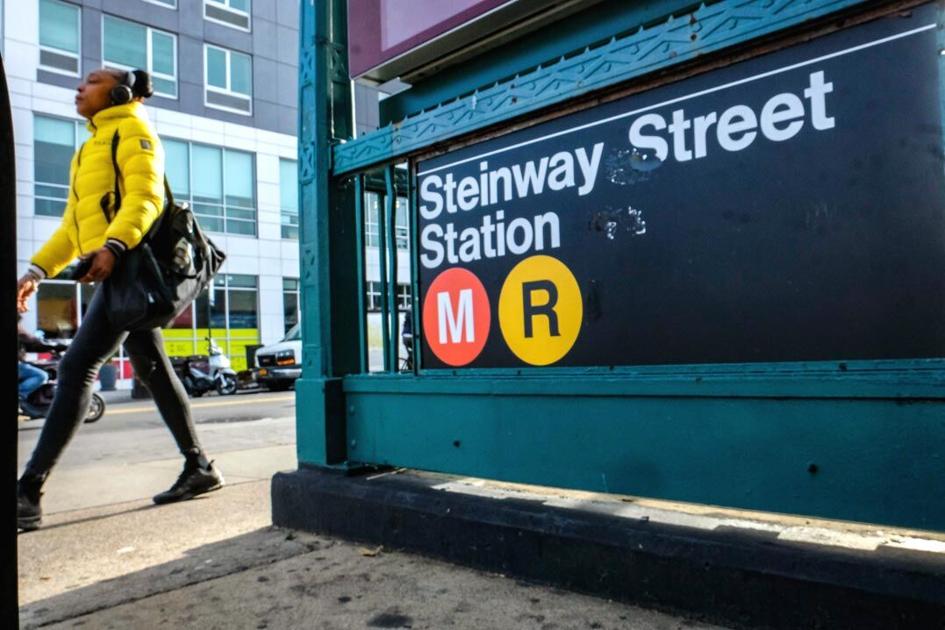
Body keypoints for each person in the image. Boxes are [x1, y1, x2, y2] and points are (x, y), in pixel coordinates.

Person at [16, 68, 224, 531]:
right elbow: (72, 228)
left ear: (119, 92)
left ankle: (28, 491)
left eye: (91, 81)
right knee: (153, 369)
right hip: (116, 270)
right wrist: (36, 271)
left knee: (77, 367)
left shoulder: (133, 129)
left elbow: (146, 198)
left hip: (127, 267)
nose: (79, 87)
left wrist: (113, 245)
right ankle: (199, 467)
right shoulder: (89, 147)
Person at [17, 316, 58, 415]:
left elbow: (30, 346)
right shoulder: (19, 332)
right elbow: (32, 342)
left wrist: (49, 349)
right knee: (41, 375)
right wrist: (55, 346)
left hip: (20, 362)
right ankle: (20, 395)